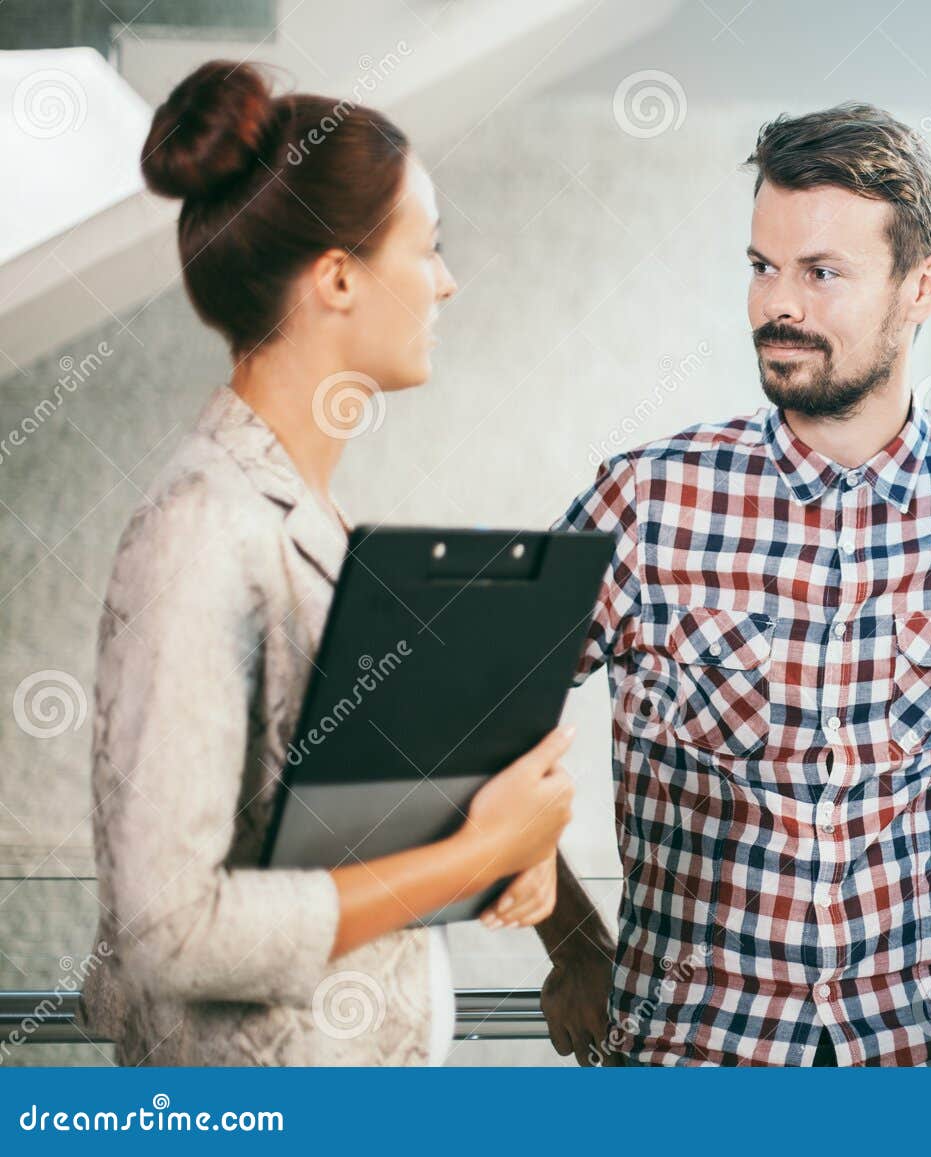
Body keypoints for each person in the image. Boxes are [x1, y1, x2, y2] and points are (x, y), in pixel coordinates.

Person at [519, 103, 931, 1066]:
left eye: (821, 273)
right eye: (763, 267)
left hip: (930, 1037)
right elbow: (477, 718)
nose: (778, 305)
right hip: (695, 1047)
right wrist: (571, 937)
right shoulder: (645, 499)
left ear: (919, 287)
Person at [85, 61, 577, 1066]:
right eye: (428, 248)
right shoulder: (202, 531)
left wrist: (495, 857)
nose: (445, 279)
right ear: (340, 277)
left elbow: (326, 846)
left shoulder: (315, 520)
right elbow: (171, 931)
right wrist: (477, 848)